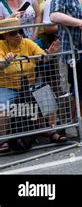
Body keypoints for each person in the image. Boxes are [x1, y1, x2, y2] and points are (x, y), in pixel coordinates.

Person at [0, 18, 63, 153]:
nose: (18, 35)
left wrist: (50, 53)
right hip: (7, 86)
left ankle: (51, 131)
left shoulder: (27, 43)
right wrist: (5, 62)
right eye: (13, 33)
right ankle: (3, 139)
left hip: (29, 83)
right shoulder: (0, 46)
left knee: (47, 97)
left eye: (20, 32)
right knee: (2, 107)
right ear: (5, 35)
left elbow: (42, 57)